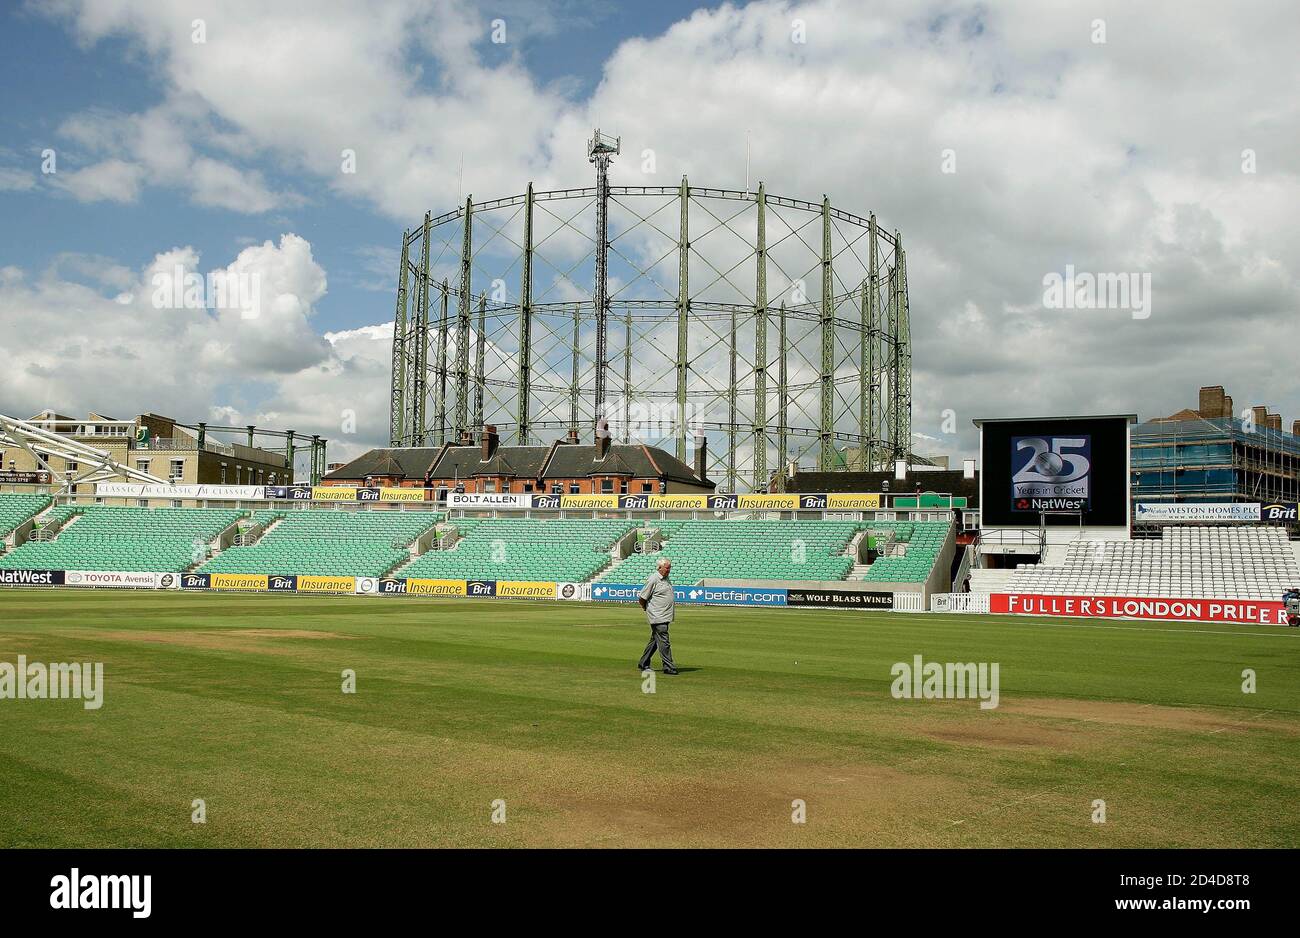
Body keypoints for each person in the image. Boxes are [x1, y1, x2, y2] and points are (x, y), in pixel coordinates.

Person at [637, 556, 678, 674]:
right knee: (664, 641)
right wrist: (646, 608)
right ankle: (668, 666)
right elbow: (642, 597)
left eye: (669, 568)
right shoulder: (653, 579)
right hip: (657, 615)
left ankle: (643, 662)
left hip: (665, 615)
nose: (669, 570)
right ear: (660, 567)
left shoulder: (666, 579)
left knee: (655, 640)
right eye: (667, 568)